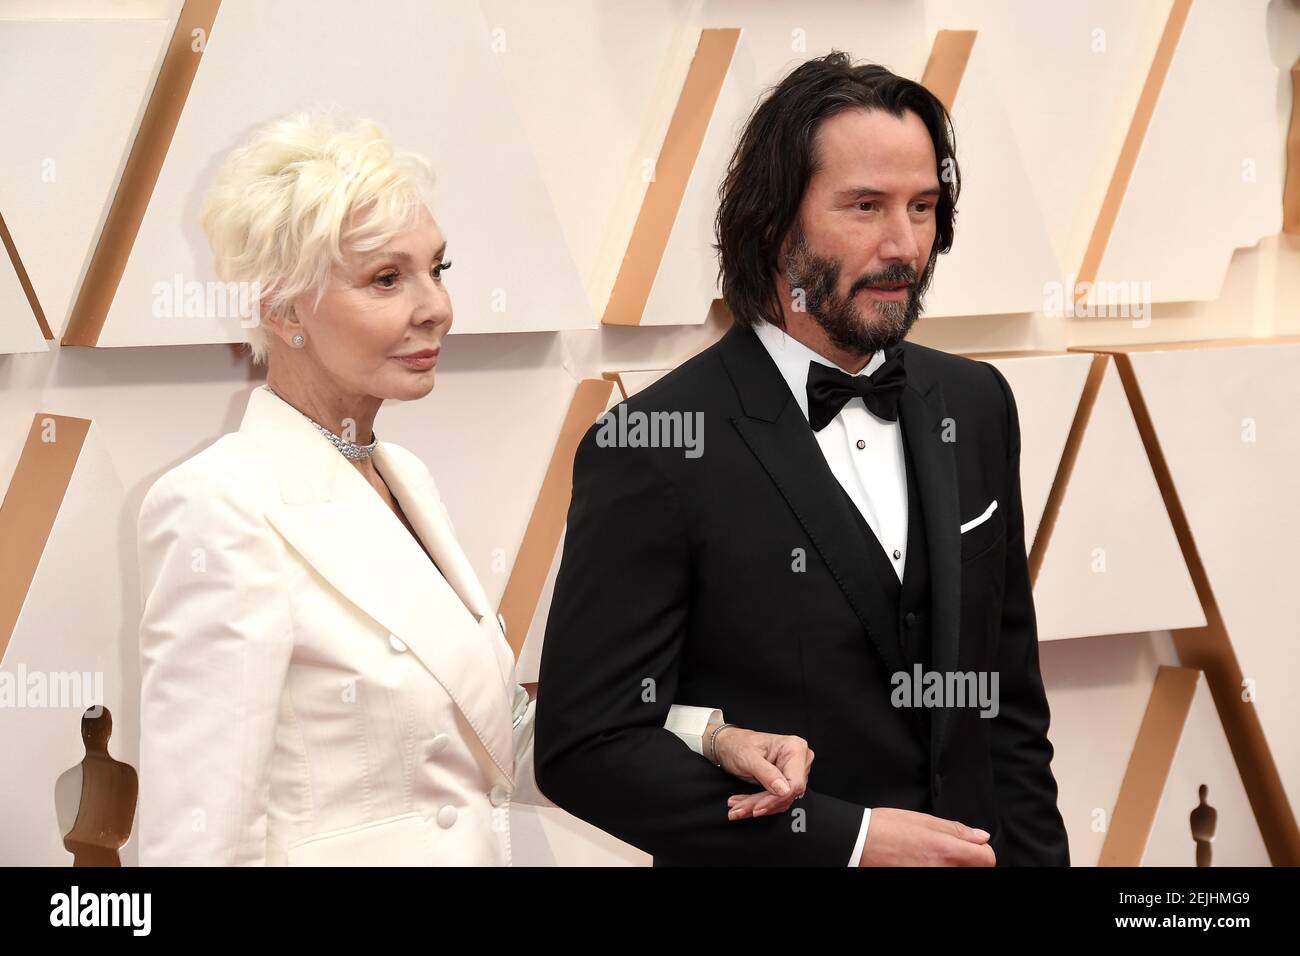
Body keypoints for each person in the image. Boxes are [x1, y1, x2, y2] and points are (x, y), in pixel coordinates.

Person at [135, 111, 787, 865]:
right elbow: (198, 838)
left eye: (436, 269)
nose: (436, 307)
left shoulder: (403, 478)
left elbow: (493, 728)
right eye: (386, 278)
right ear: (284, 311)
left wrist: (710, 736)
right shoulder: (218, 505)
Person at [534, 53, 1071, 866]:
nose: (904, 245)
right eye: (865, 207)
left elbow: (1008, 713)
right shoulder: (652, 446)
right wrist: (847, 840)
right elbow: (589, 745)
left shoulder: (976, 403)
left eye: (923, 208)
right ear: (772, 227)